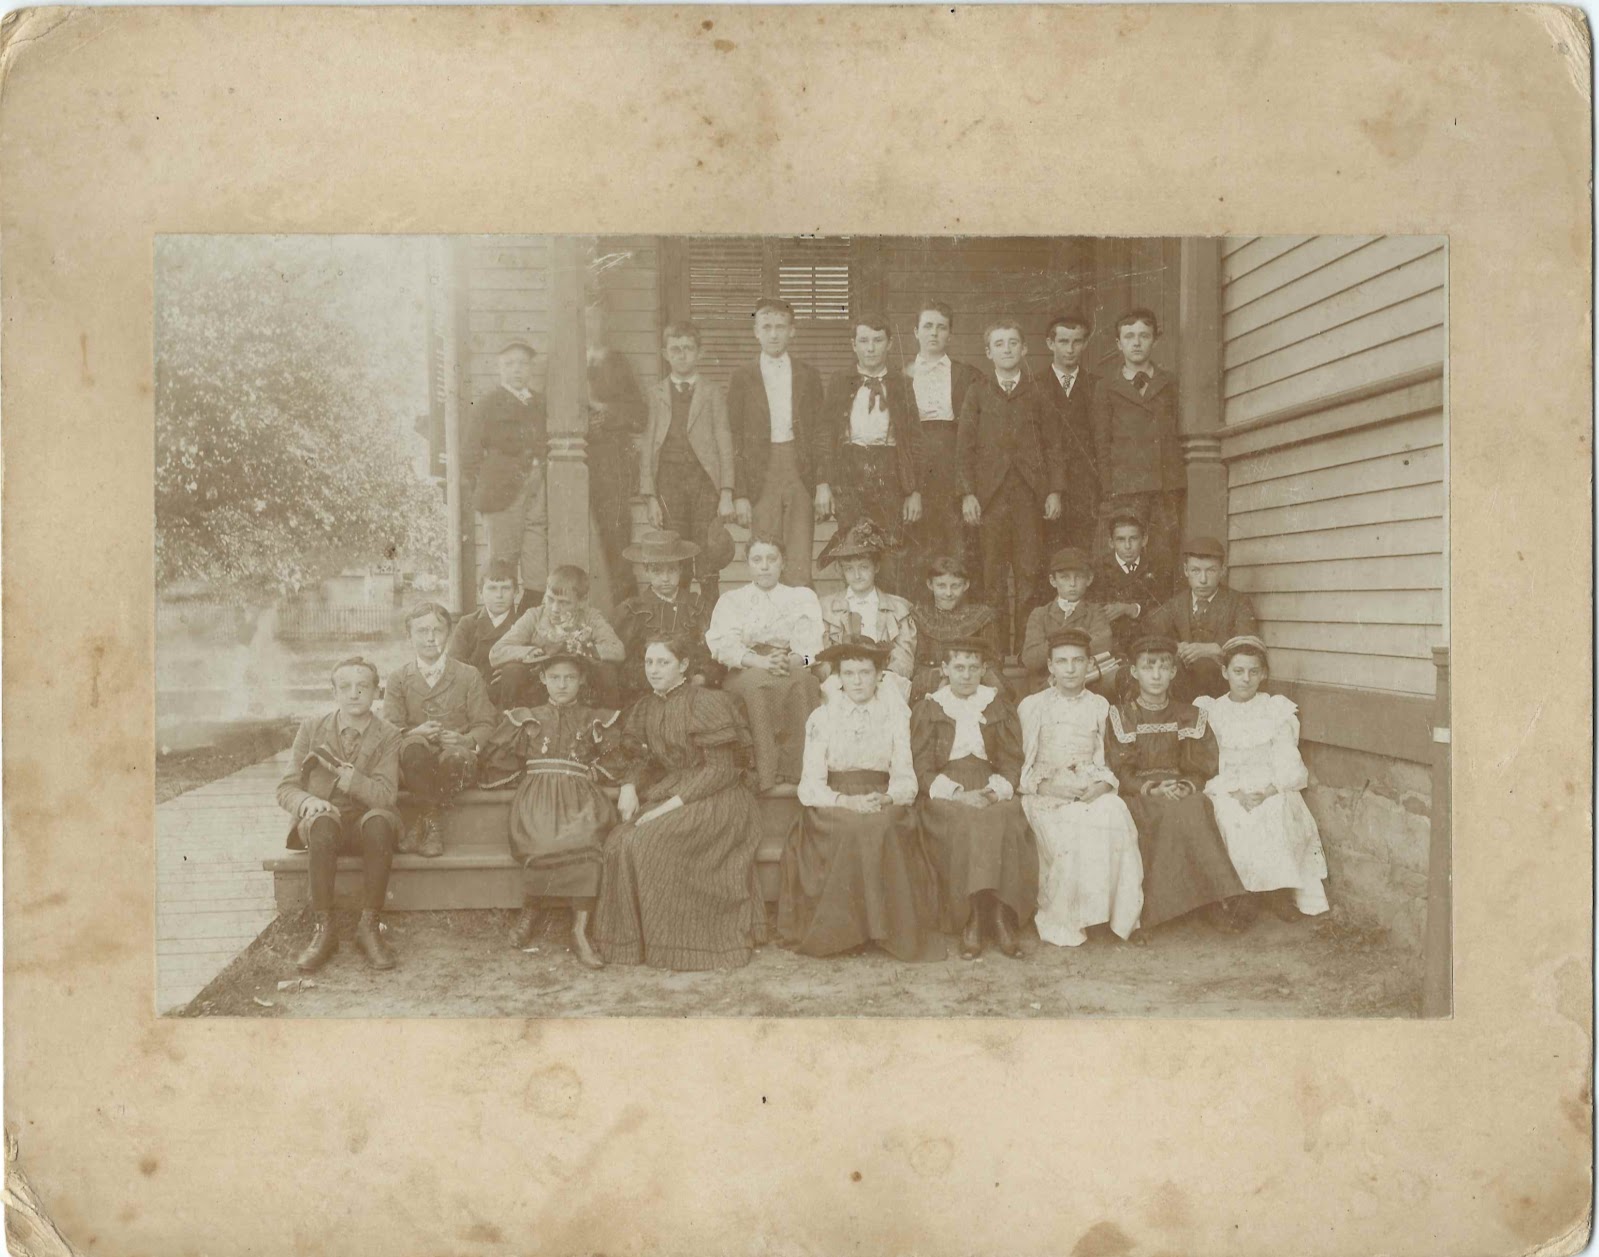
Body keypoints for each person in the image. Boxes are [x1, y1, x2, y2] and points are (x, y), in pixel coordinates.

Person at [592, 632, 768, 970]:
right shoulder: (646, 707)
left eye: (663, 662)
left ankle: (678, 945)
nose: (654, 670)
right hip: (675, 790)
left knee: (648, 841)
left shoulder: (706, 702)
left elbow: (721, 770)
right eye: (649, 662)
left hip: (718, 798)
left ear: (683, 665)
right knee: (618, 842)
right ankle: (632, 945)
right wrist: (629, 785)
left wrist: (671, 805)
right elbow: (643, 759)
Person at [778, 637, 944, 961]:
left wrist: (887, 798)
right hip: (834, 802)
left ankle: (883, 931)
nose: (857, 681)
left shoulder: (895, 716)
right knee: (852, 827)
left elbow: (906, 778)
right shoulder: (822, 718)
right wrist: (846, 801)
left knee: (881, 825)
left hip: (881, 797)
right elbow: (810, 785)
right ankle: (845, 932)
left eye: (865, 673)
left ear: (879, 675)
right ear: (838, 677)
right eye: (849, 673)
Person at [478, 645, 622, 970]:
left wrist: (596, 769)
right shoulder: (527, 717)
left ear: (581, 680)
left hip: (580, 796)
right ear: (543, 678)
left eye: (569, 678)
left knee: (586, 840)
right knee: (540, 840)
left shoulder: (593, 719)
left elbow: (617, 756)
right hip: (538, 795)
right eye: (555, 677)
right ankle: (531, 910)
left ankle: (580, 930)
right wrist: (522, 769)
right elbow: (496, 757)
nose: (562, 684)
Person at [1105, 635, 1246, 936]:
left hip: (1181, 787)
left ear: (1173, 672)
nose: (1156, 675)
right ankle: (1156, 909)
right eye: (1148, 667)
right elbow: (1121, 770)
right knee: (1162, 813)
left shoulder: (1189, 715)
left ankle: (1212, 900)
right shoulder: (1123, 715)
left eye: (1163, 667)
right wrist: (1153, 788)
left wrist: (1186, 785)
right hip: (1141, 792)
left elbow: (1200, 766)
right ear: (1134, 672)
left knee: (1196, 806)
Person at [910, 637, 1036, 960]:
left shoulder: (997, 705)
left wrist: (995, 792)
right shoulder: (930, 707)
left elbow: (1012, 760)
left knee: (1003, 816)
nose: (966, 675)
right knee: (967, 821)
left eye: (973, 668)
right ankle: (973, 917)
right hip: (946, 789)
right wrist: (957, 794)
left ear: (983, 670)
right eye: (958, 667)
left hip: (990, 783)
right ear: (945, 669)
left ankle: (1000, 915)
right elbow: (921, 767)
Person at [1017, 628, 1144, 947]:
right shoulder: (1032, 705)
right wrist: (1047, 787)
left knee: (1114, 811)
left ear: (1089, 664)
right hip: (1047, 791)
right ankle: (1073, 917)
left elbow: (1106, 757)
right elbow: (1022, 762)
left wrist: (1102, 785)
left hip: (1089, 782)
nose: (1071, 669)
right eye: (1062, 662)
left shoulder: (1100, 705)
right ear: (1050, 666)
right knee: (1075, 825)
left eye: (1078, 661)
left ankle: (1116, 917)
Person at [276, 657, 403, 972]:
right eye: (345, 686)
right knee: (321, 822)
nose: (354, 693)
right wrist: (308, 802)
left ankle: (369, 926)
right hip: (325, 824)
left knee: (380, 821)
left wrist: (353, 780)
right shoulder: (311, 728)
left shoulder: (389, 734)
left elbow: (386, 796)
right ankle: (324, 929)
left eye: (363, 686)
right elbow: (286, 787)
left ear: (377, 692)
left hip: (365, 825)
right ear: (333, 692)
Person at [1194, 636, 1330, 923]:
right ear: (1225, 672)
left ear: (1263, 674)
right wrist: (1235, 792)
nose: (1246, 679)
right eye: (1238, 671)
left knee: (1275, 811)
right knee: (1231, 815)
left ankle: (1277, 893)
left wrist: (1270, 789)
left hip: (1271, 783)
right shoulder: (1212, 711)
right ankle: (1244, 894)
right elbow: (1209, 763)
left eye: (1253, 671)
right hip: (1229, 786)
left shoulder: (1274, 709)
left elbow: (1287, 757)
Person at [957, 319, 1065, 654]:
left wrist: (1054, 491)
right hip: (990, 499)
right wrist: (968, 494)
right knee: (992, 576)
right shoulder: (977, 392)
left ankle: (1027, 651)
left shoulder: (1038, 392)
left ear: (1024, 349)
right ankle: (996, 654)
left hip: (1029, 498)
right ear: (988, 352)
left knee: (1030, 573)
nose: (1007, 349)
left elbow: (1054, 446)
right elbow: (965, 448)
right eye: (999, 344)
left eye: (1013, 343)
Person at [705, 537, 825, 792]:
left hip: (790, 663)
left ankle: (798, 772)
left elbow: (812, 654)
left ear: (783, 563)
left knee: (804, 682)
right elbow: (723, 649)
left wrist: (793, 661)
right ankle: (766, 772)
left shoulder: (801, 598)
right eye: (757, 560)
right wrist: (760, 661)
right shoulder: (733, 600)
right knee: (757, 685)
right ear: (748, 564)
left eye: (772, 559)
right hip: (746, 666)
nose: (764, 566)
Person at [816, 314, 922, 594]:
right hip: (850, 471)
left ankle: (887, 613)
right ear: (854, 345)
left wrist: (913, 490)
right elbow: (826, 434)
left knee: (890, 549)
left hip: (889, 471)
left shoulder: (901, 383)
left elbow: (913, 439)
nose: (871, 348)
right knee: (852, 545)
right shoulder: (840, 381)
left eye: (878, 340)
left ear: (889, 344)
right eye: (864, 341)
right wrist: (823, 483)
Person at [726, 297, 827, 587]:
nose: (773, 334)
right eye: (766, 327)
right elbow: (734, 437)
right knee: (765, 555)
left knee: (799, 557)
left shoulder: (809, 375)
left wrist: (822, 482)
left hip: (799, 469)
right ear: (755, 332)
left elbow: (820, 433)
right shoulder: (742, 377)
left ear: (792, 331)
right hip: (761, 473)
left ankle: (800, 614)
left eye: (780, 327)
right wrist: (740, 493)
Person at [383, 602, 497, 858]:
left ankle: (422, 823)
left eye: (438, 630)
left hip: (455, 758)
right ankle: (432, 824)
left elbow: (486, 723)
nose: (430, 637)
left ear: (449, 633)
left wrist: (465, 740)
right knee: (414, 748)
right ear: (409, 636)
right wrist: (414, 732)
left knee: (456, 758)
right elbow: (389, 727)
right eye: (422, 631)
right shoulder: (398, 678)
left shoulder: (468, 675)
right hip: (414, 761)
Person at [640, 321, 736, 607]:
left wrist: (726, 492)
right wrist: (650, 497)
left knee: (707, 556)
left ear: (699, 352)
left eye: (688, 349)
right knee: (675, 553)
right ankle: (677, 620)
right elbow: (648, 447)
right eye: (675, 349)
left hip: (704, 482)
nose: (682, 355)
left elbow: (724, 442)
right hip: (668, 482)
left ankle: (711, 621)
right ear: (665, 354)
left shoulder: (712, 392)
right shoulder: (655, 394)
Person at [1089, 308, 1183, 573]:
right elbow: (1101, 442)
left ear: (1155, 340)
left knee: (1163, 555)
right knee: (1125, 554)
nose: (1137, 342)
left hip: (1164, 487)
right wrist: (1109, 487)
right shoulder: (1106, 387)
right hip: (1125, 488)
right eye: (1129, 336)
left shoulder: (1170, 383)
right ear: (1119, 344)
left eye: (1144, 335)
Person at [902, 301, 984, 592]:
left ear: (950, 334)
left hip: (953, 464)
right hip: (915, 466)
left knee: (957, 542)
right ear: (916, 332)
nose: (934, 333)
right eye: (927, 326)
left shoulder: (968, 375)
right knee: (918, 545)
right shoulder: (901, 376)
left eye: (941, 327)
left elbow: (976, 433)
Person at [464, 340, 549, 594]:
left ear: (531, 368)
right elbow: (470, 454)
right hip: (502, 493)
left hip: (537, 486)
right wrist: (488, 487)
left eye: (523, 363)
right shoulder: (488, 404)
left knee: (537, 561)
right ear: (499, 369)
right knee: (502, 563)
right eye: (510, 364)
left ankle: (531, 614)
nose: (517, 369)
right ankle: (501, 616)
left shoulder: (539, 403)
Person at [489, 565, 627, 709]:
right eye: (550, 599)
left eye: (564, 602)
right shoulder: (534, 616)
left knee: (607, 671)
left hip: (577, 685)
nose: (554, 609)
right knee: (512, 671)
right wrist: (529, 652)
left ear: (582, 601)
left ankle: (609, 720)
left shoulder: (591, 617)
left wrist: (583, 649)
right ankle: (511, 720)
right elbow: (496, 652)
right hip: (541, 684)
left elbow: (617, 649)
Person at [814, 517, 917, 706]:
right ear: (841, 571)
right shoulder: (825, 608)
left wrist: (876, 678)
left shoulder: (899, 609)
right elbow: (813, 655)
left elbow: (905, 658)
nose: (857, 575)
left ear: (876, 567)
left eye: (863, 567)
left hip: (884, 678)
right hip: (840, 678)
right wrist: (836, 673)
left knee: (889, 695)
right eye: (849, 569)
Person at [613, 529, 722, 703]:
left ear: (680, 569)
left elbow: (712, 653)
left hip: (694, 690)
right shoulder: (633, 611)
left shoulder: (697, 606)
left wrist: (701, 677)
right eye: (657, 571)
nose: (665, 578)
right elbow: (624, 663)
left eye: (671, 570)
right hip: (649, 693)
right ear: (646, 570)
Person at [1146, 537, 1259, 703]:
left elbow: (1248, 644)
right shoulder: (1177, 603)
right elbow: (1149, 633)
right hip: (1180, 689)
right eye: (1195, 570)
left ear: (1222, 570)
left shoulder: (1238, 602)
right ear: (1186, 570)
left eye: (1211, 571)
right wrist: (1175, 646)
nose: (1203, 580)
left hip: (1220, 690)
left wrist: (1214, 649)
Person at [584, 339, 650, 609]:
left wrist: (603, 410)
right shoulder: (564, 362)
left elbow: (639, 415)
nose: (590, 323)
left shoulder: (617, 362)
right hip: (571, 471)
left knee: (617, 544)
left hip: (611, 468)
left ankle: (627, 616)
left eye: (594, 318)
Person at [1036, 312, 1100, 570]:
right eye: (1063, 341)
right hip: (1043, 486)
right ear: (1050, 343)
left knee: (1081, 555)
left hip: (1084, 487)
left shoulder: (1097, 386)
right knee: (1045, 557)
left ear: (1085, 344)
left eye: (1077, 341)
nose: (1070, 349)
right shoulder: (1033, 385)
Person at [1019, 546, 1120, 692]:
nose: (1072, 584)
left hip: (1087, 683)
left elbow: (1104, 644)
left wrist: (1056, 643)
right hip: (1046, 685)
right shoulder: (1039, 614)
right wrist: (1075, 634)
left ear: (1089, 579)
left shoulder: (1095, 612)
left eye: (1078, 577)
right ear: (1053, 581)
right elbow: (1031, 659)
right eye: (1065, 577)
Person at [908, 556, 1007, 703]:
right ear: (930, 584)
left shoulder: (982, 616)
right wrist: (942, 676)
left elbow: (993, 661)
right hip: (932, 683)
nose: (948, 593)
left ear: (966, 585)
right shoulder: (920, 616)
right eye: (941, 586)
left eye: (955, 586)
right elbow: (917, 664)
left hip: (973, 682)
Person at [1091, 508, 1170, 663]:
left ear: (1144, 540)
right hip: (1111, 642)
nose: (1127, 546)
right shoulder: (1098, 569)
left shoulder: (1157, 568)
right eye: (1120, 540)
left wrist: (1131, 608)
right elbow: (1095, 609)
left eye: (1133, 539)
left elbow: (1164, 607)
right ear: (1111, 543)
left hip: (1146, 640)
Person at [446, 559, 527, 709]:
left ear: (516, 592)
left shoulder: (524, 624)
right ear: (480, 592)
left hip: (509, 699)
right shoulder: (468, 624)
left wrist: (511, 672)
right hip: (472, 696)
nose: (499, 595)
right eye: (492, 588)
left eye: (505, 588)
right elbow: (454, 663)